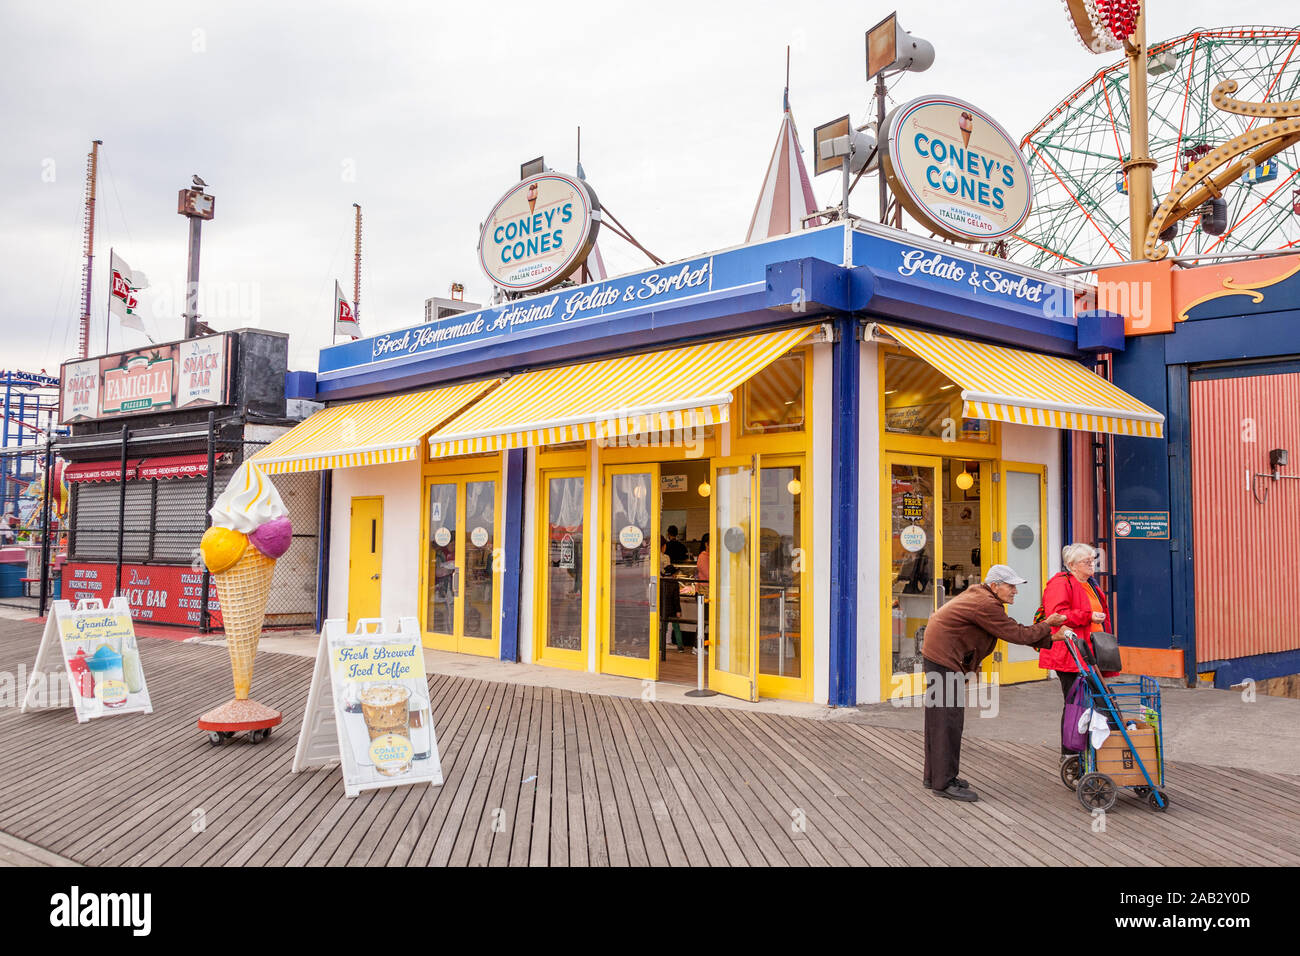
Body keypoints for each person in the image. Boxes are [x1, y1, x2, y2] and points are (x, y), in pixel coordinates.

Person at [920, 565, 1068, 802]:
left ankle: (935, 776)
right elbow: (1016, 634)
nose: (1015, 592)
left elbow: (1010, 631)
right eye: (1011, 586)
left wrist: (1049, 637)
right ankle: (944, 783)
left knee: (939, 720)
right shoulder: (985, 604)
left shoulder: (982, 596)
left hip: (939, 657)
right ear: (995, 585)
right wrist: (1048, 625)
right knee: (948, 721)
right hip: (944, 659)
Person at [1038, 543, 1119, 757]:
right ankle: (1070, 753)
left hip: (1090, 653)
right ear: (1072, 565)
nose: (1091, 564)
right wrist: (1088, 616)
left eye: (1092, 560)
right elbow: (1058, 615)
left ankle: (1089, 749)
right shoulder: (1061, 583)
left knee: (1095, 700)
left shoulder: (1091, 584)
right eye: (1086, 561)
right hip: (1070, 653)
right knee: (1075, 704)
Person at [660, 540, 685, 652]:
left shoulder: (663, 583)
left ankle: (661, 646)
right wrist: (678, 611)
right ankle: (680, 647)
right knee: (676, 628)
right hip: (673, 610)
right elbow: (676, 599)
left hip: (664, 609)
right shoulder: (674, 584)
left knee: (663, 628)